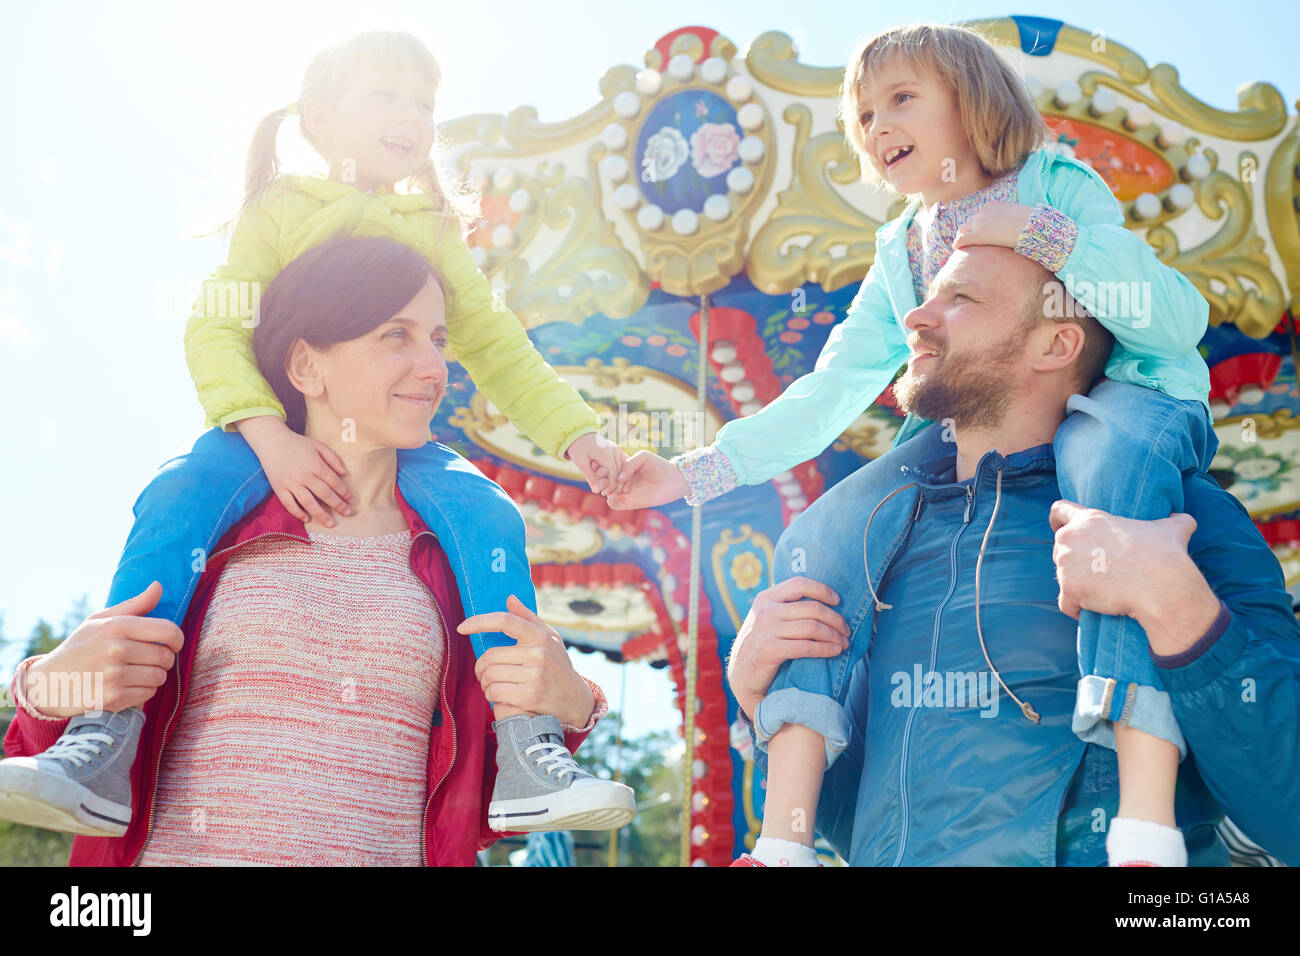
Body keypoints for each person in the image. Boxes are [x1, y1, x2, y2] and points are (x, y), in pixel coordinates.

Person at [0, 30, 635, 838]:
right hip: (258, 431)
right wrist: (268, 434)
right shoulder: (280, 210)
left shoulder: (434, 229)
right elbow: (214, 327)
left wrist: (578, 436)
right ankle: (103, 737)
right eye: (388, 96)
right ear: (319, 117)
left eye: (425, 104)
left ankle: (527, 744)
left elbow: (501, 348)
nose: (410, 116)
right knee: (181, 493)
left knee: (490, 513)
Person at [611, 22, 1214, 866]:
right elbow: (831, 390)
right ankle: (782, 837)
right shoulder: (901, 248)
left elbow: (1175, 319)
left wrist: (1042, 232)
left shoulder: (1057, 184)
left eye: (901, 98)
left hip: (1124, 399)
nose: (878, 123)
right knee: (820, 536)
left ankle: (1145, 818)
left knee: (1111, 494)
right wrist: (692, 473)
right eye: (864, 112)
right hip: (959, 429)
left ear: (973, 104)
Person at [724, 244, 1300, 866]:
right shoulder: (876, 544)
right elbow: (861, 824)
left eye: (961, 298)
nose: (916, 317)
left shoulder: (1181, 515)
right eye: (927, 295)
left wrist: (1181, 607)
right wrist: (759, 697)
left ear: (1055, 346)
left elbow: (1286, 811)